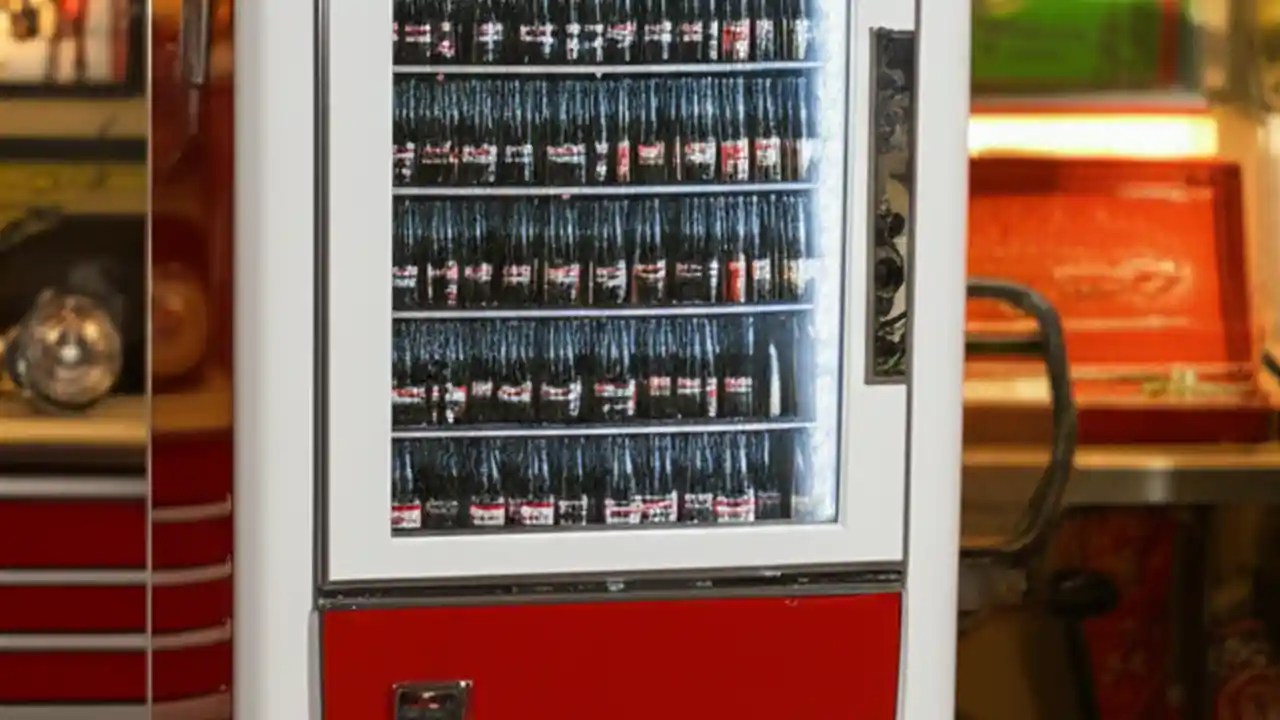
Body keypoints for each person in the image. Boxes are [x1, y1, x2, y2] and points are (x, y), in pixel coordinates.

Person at [45, 0, 86, 83]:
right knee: (58, 37)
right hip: (68, 8)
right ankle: (79, 70)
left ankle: (52, 69)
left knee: (76, 35)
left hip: (70, 8)